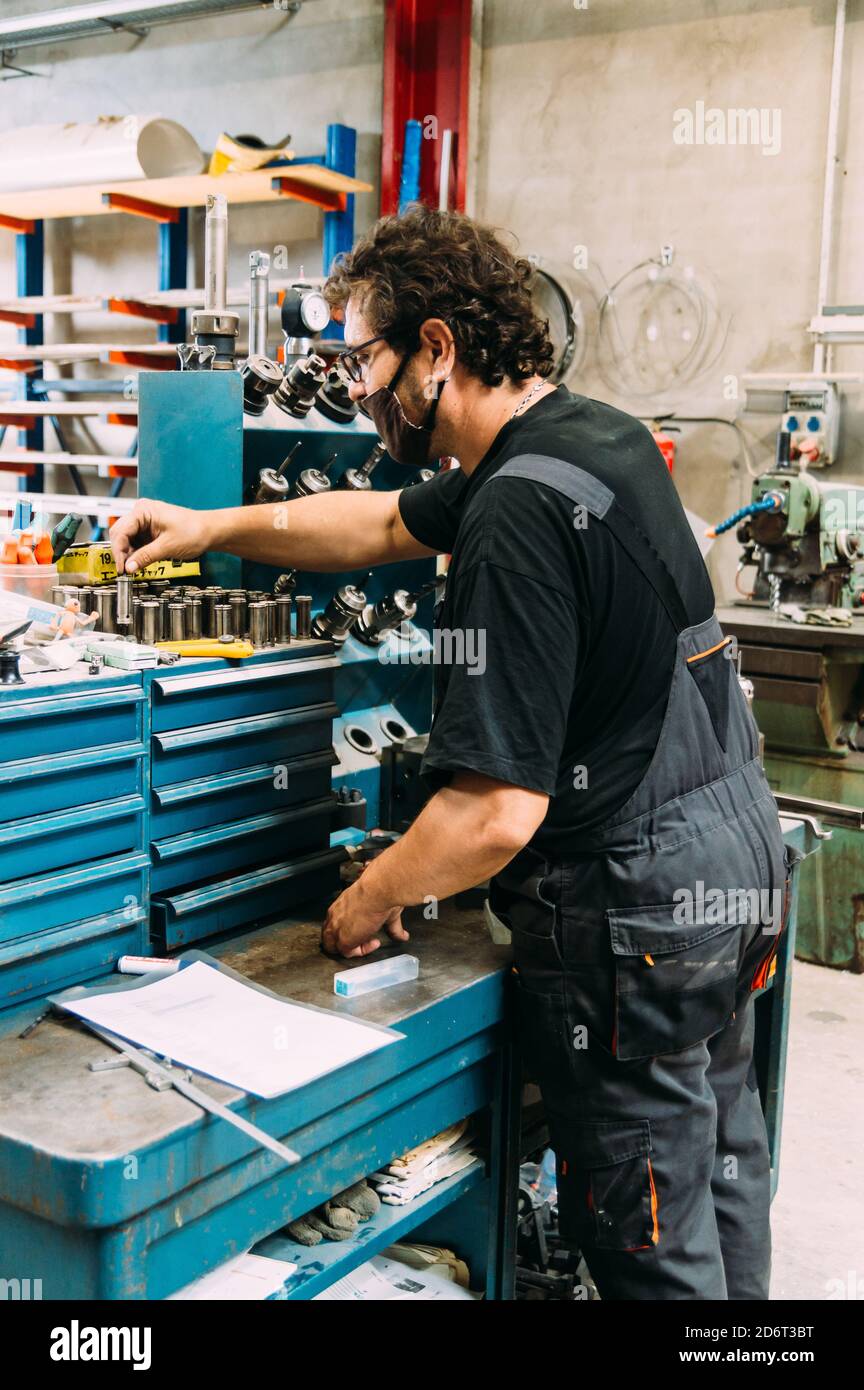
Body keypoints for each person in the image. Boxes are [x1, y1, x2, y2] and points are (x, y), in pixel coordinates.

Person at [111, 205, 796, 1300]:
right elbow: (379, 525)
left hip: (637, 914)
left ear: (437, 346)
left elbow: (493, 813)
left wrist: (370, 896)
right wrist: (206, 526)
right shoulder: (583, 434)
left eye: (365, 358)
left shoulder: (515, 513)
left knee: (651, 1241)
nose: (355, 389)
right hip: (733, 869)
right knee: (719, 1177)